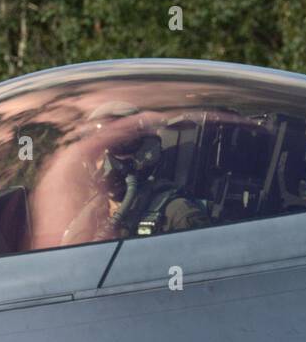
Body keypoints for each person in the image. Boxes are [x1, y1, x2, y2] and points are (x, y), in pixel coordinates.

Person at [60, 101, 210, 244]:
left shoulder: (177, 214)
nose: (104, 159)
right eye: (97, 151)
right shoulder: (85, 215)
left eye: (117, 146)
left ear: (145, 151)